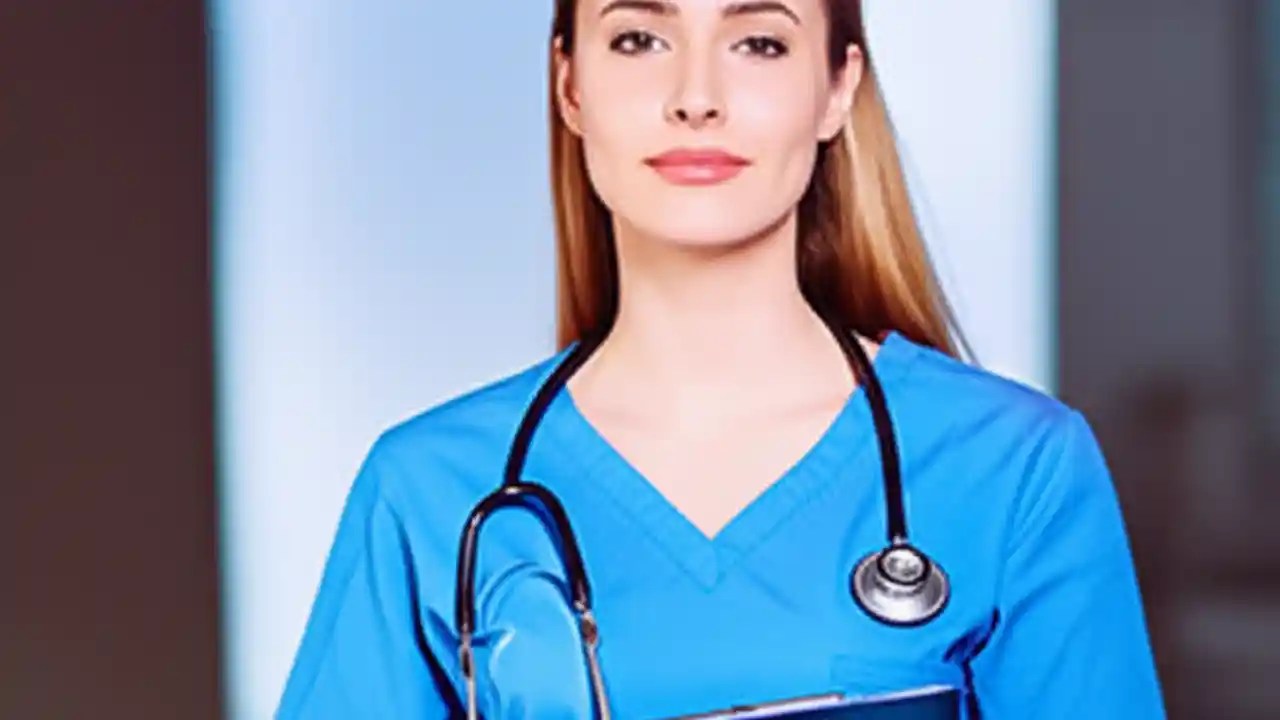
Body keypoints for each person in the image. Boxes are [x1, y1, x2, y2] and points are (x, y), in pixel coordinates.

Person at [276, 0, 1166, 717]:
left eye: (758, 42)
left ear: (837, 90)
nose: (696, 96)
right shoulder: (429, 490)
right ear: (569, 85)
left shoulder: (1012, 469)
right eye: (639, 38)